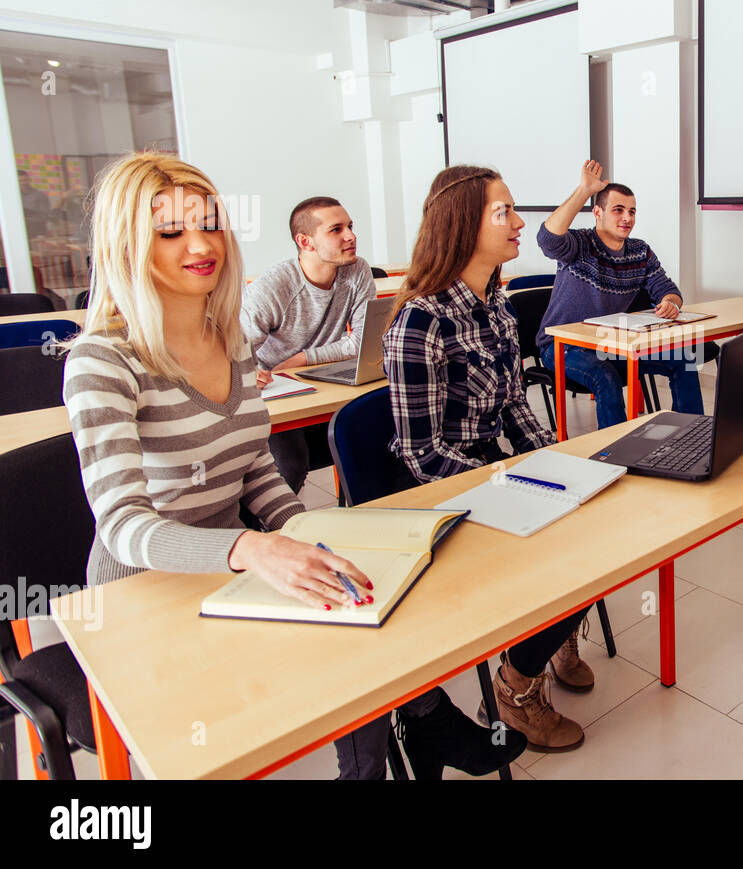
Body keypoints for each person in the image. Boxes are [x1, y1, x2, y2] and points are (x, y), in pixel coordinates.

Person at [62, 152, 523, 781]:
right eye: (170, 232)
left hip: (228, 558)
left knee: (353, 595)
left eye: (210, 224)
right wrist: (256, 549)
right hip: (141, 588)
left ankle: (385, 754)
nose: (201, 245)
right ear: (126, 243)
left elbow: (253, 462)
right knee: (329, 641)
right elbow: (121, 524)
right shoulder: (101, 360)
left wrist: (305, 533)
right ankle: (428, 722)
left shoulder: (227, 337)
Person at [384, 164, 594, 752]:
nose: (520, 221)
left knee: (599, 527)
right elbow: (421, 454)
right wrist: (509, 484)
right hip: (441, 495)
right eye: (503, 212)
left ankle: (549, 640)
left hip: (494, 472)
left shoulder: (495, 304)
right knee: (568, 551)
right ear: (460, 227)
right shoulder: (420, 321)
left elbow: (513, 409)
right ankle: (515, 688)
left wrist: (556, 464)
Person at [536, 160, 704, 428]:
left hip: (610, 344)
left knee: (683, 359)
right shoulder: (580, 244)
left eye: (632, 211)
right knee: (605, 376)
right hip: (562, 346)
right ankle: (614, 456)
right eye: (618, 210)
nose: (627, 218)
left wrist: (671, 303)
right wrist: (583, 189)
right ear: (597, 212)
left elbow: (667, 289)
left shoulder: (639, 251)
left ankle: (692, 437)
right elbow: (547, 239)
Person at [240, 196, 377, 494]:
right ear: (306, 242)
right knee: (289, 466)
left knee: (374, 438)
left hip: (322, 380)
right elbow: (234, 351)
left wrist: (302, 358)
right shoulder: (274, 286)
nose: (351, 236)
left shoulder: (357, 271)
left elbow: (361, 343)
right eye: (336, 229)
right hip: (274, 392)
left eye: (350, 226)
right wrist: (251, 371)